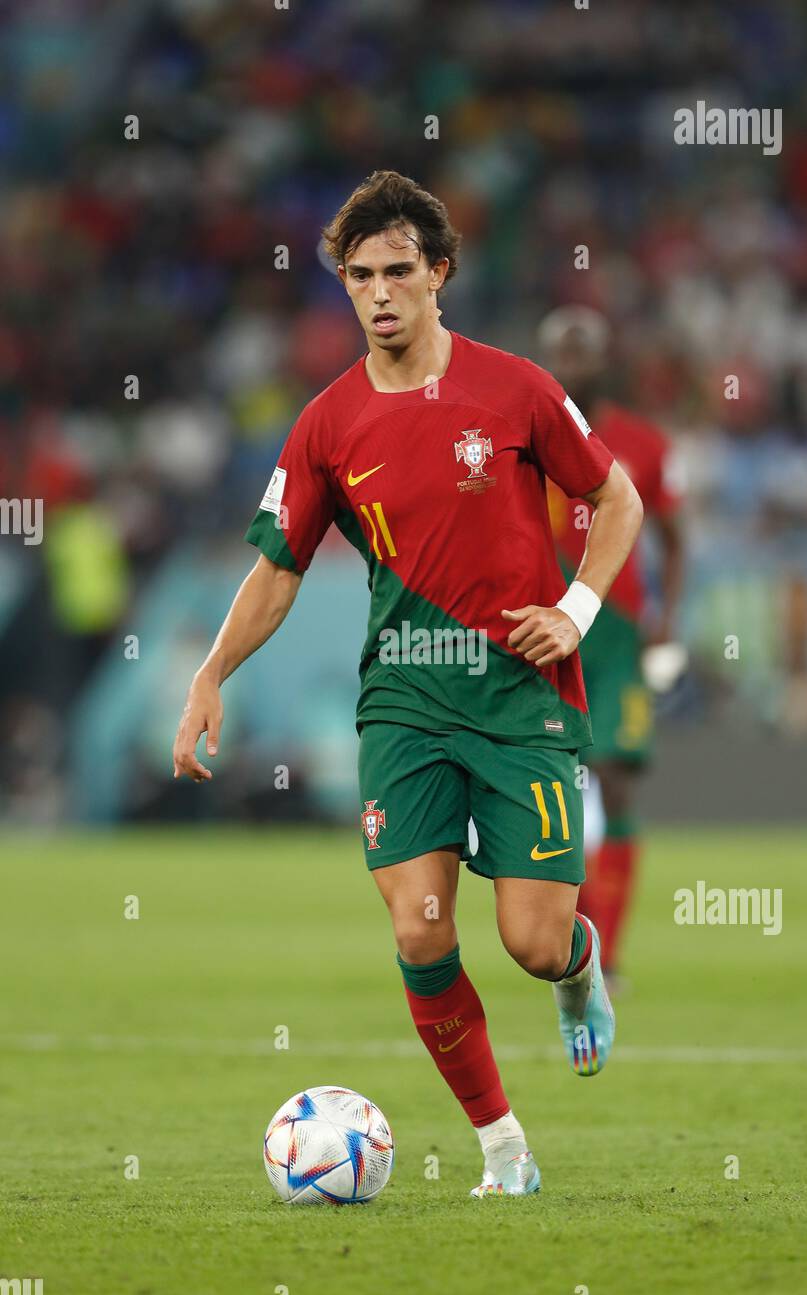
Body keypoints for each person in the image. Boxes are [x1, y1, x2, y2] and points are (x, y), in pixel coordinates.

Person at [173, 172, 643, 1198]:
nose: (379, 292)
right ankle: (503, 1150)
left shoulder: (514, 388)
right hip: (404, 704)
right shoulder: (324, 426)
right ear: (342, 286)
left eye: (397, 271)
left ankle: (576, 966)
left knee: (527, 939)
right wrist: (211, 673)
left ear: (438, 274)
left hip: (522, 699)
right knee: (421, 928)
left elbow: (614, 498)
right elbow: (277, 567)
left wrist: (575, 609)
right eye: (358, 276)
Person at [540, 306, 684, 986]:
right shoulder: (521, 434)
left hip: (618, 633)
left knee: (617, 783)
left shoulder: (646, 444)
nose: (573, 364)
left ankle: (612, 953)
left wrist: (667, 617)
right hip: (543, 627)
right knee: (556, 791)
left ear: (606, 360)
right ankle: (584, 944)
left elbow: (675, 537)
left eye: (584, 352)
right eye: (560, 353)